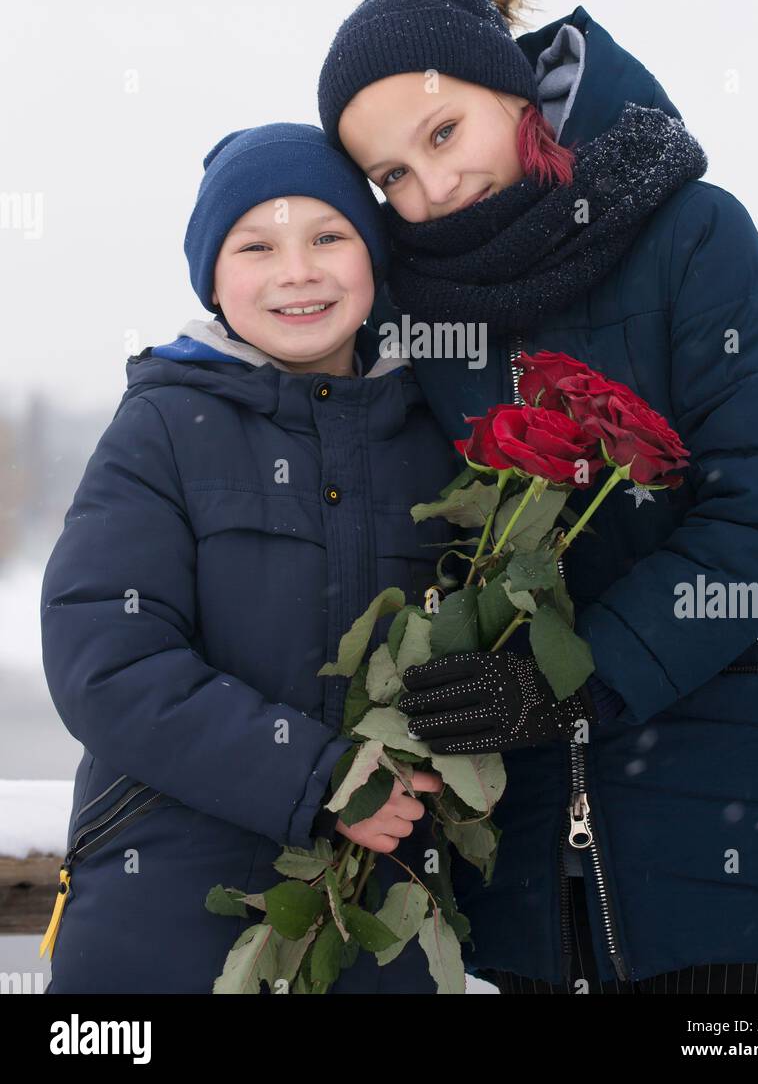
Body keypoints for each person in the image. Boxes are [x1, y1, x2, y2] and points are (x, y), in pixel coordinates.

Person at [316, 0, 758, 994]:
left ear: (509, 89)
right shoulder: (416, 314)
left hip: (715, 815)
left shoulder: (691, 234)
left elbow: (757, 524)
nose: (431, 184)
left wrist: (570, 685)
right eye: (392, 173)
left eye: (443, 130)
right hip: (519, 845)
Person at [39, 123, 463, 994]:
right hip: (163, 914)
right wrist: (319, 776)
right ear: (214, 276)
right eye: (257, 245)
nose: (297, 271)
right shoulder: (162, 426)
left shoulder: (437, 434)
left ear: (373, 257)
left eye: (329, 236)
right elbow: (105, 660)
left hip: (379, 930)